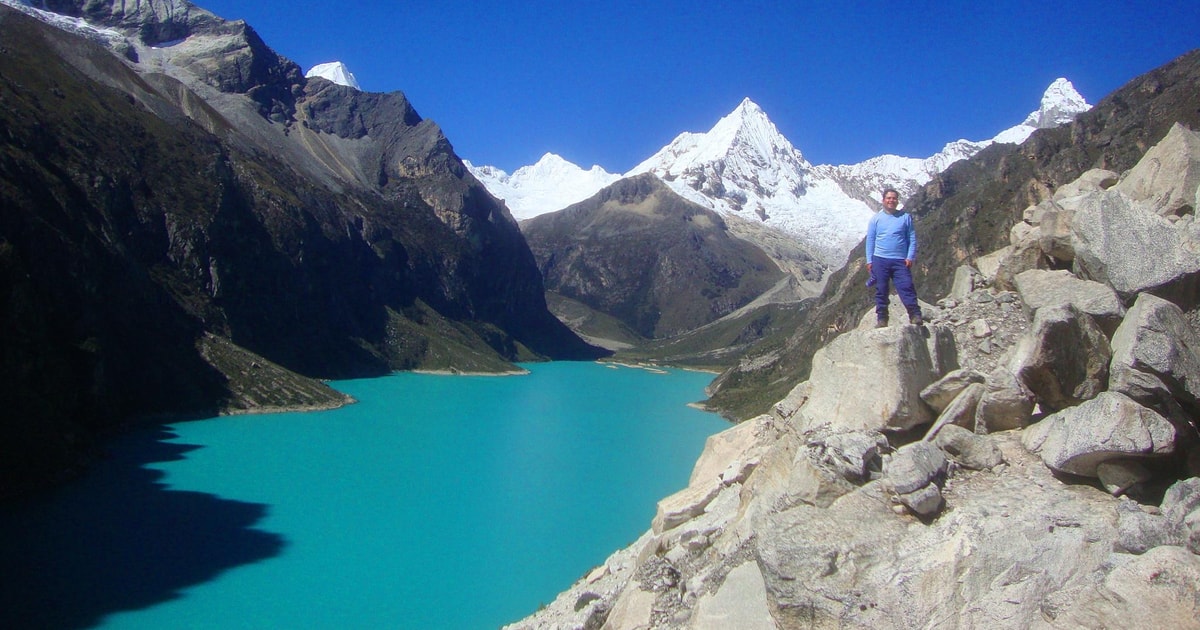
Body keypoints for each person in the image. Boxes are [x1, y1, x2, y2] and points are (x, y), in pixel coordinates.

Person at [865, 188, 922, 327]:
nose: (891, 200)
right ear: (883, 200)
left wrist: (910, 257)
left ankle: (915, 315)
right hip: (880, 259)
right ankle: (882, 319)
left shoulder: (905, 217)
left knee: (907, 287)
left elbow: (912, 238)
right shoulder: (876, 219)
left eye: (894, 198)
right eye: (888, 198)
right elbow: (870, 240)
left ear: (897, 200)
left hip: (900, 261)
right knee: (881, 290)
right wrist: (869, 260)